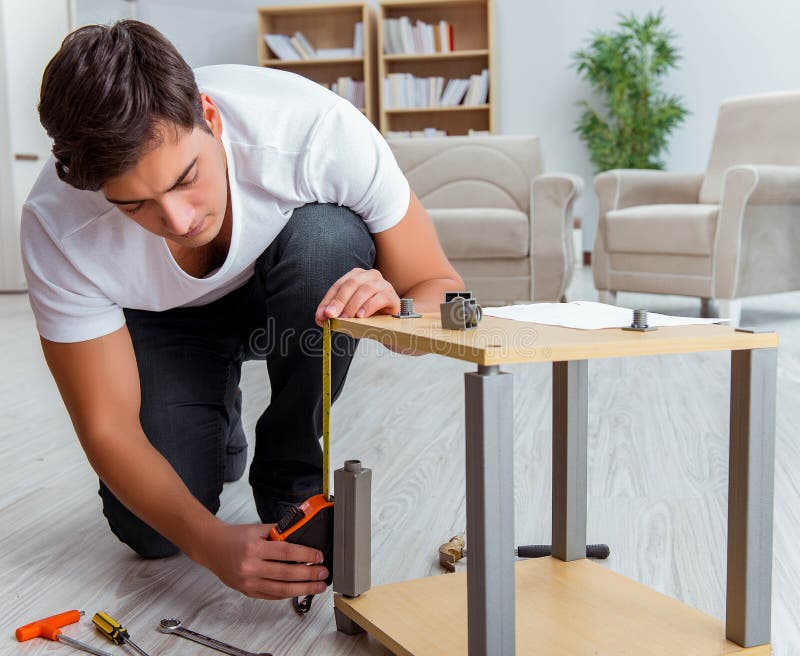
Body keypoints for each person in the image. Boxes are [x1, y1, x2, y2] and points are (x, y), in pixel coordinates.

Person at [21, 20, 462, 601]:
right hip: (164, 323)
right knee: (150, 533)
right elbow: (107, 427)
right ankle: (213, 412)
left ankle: (289, 465)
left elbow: (443, 287)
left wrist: (397, 311)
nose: (178, 221)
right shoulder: (58, 226)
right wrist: (211, 543)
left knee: (326, 241)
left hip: (292, 303)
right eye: (135, 205)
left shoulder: (315, 130)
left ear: (210, 115)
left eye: (187, 179)